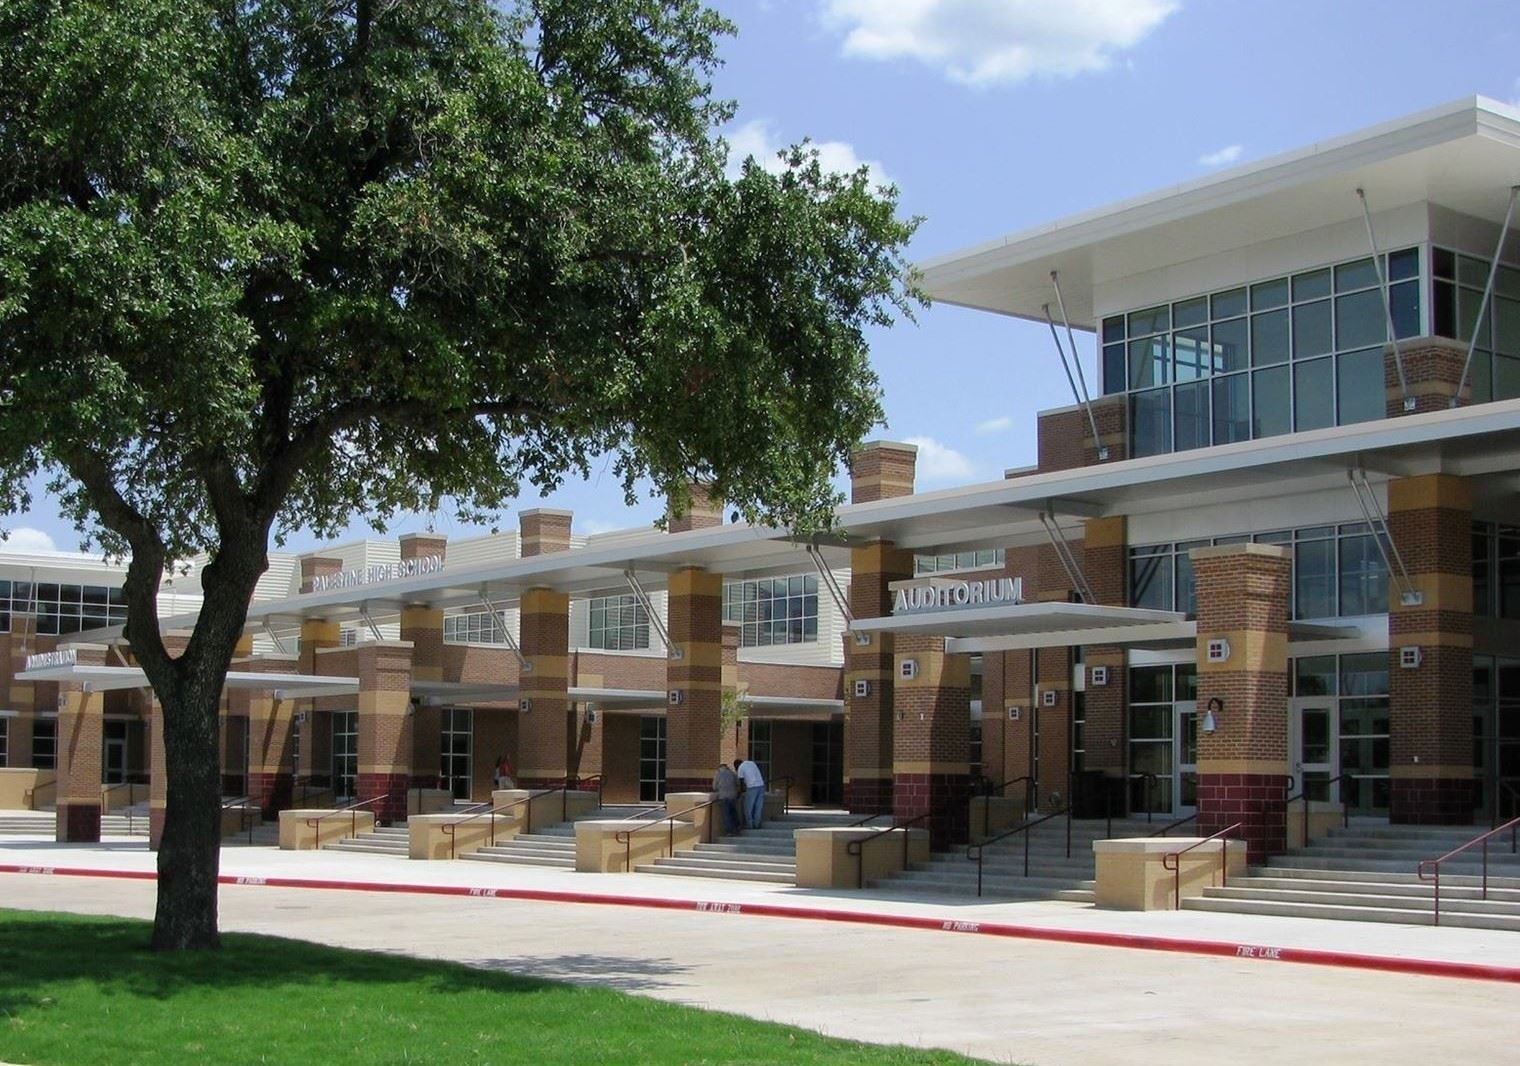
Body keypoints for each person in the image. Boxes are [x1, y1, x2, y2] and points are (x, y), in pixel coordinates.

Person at [734, 756, 766, 830]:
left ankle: (750, 825)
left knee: (748, 808)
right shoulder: (752, 763)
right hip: (761, 786)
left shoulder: (740, 768)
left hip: (752, 787)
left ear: (736, 765)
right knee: (758, 807)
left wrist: (739, 793)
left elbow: (741, 783)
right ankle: (757, 824)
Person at [712, 762, 741, 836]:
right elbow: (738, 784)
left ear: (719, 768)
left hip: (723, 796)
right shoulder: (733, 773)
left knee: (726, 814)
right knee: (733, 812)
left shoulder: (718, 774)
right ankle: (737, 827)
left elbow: (714, 787)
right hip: (733, 796)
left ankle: (730, 831)